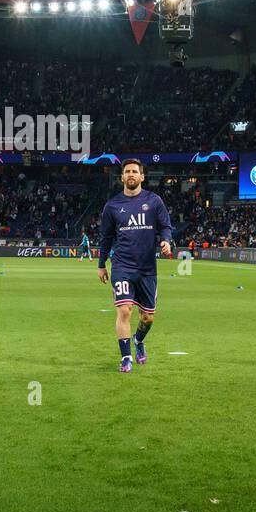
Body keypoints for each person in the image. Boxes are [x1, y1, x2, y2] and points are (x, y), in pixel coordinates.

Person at [97, 159, 173, 373]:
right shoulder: (112, 206)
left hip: (147, 268)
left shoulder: (154, 201)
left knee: (147, 317)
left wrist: (166, 240)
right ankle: (126, 357)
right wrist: (102, 264)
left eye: (134, 171)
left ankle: (138, 341)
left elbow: (165, 226)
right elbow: (106, 238)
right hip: (122, 266)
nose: (131, 174)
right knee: (124, 310)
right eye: (127, 171)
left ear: (141, 176)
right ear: (122, 177)